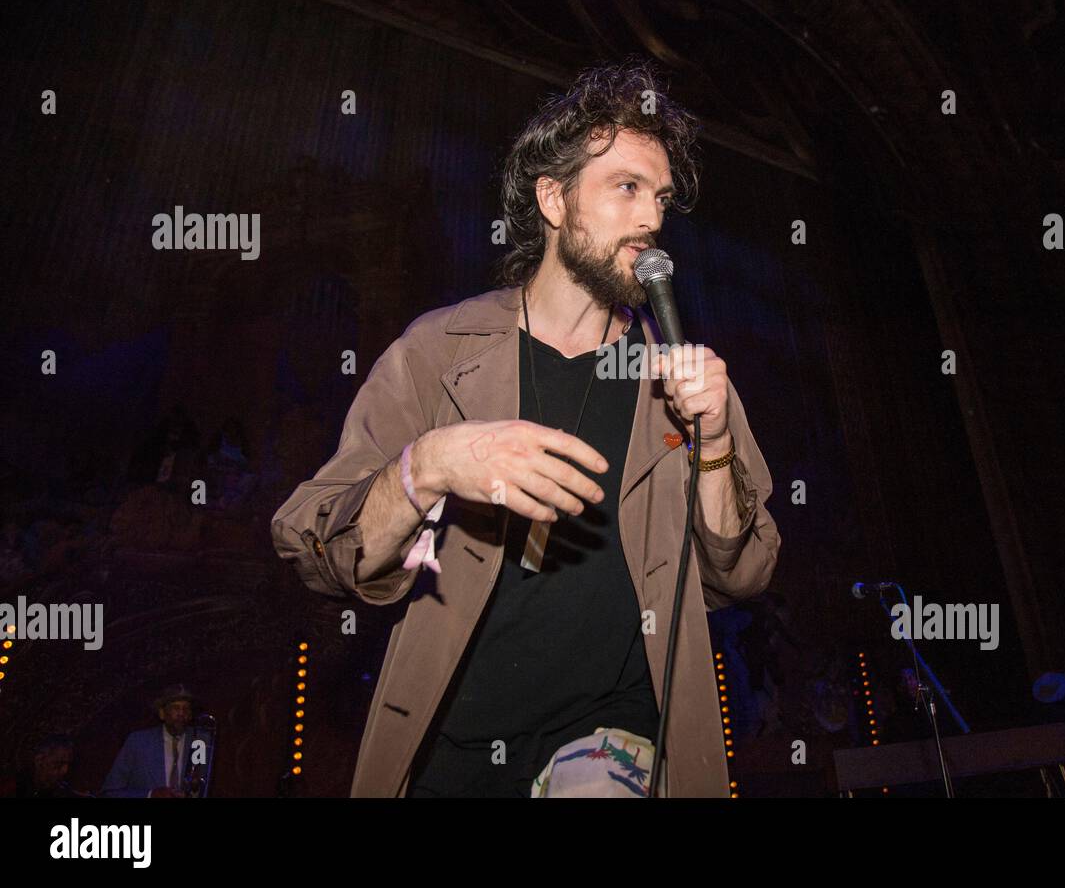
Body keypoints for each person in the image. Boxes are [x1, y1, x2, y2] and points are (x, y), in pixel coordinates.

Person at [271, 59, 781, 797]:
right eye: (626, 189)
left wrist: (717, 446)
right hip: (453, 748)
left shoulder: (682, 378)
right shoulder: (437, 352)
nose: (652, 218)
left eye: (661, 197)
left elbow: (745, 572)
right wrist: (429, 466)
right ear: (553, 197)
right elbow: (318, 548)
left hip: (612, 741)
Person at [101, 685, 200, 798]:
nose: (182, 714)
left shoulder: (199, 742)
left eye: (186, 709)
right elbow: (109, 793)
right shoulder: (138, 742)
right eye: (175, 708)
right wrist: (150, 795)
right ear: (162, 713)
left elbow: (200, 784)